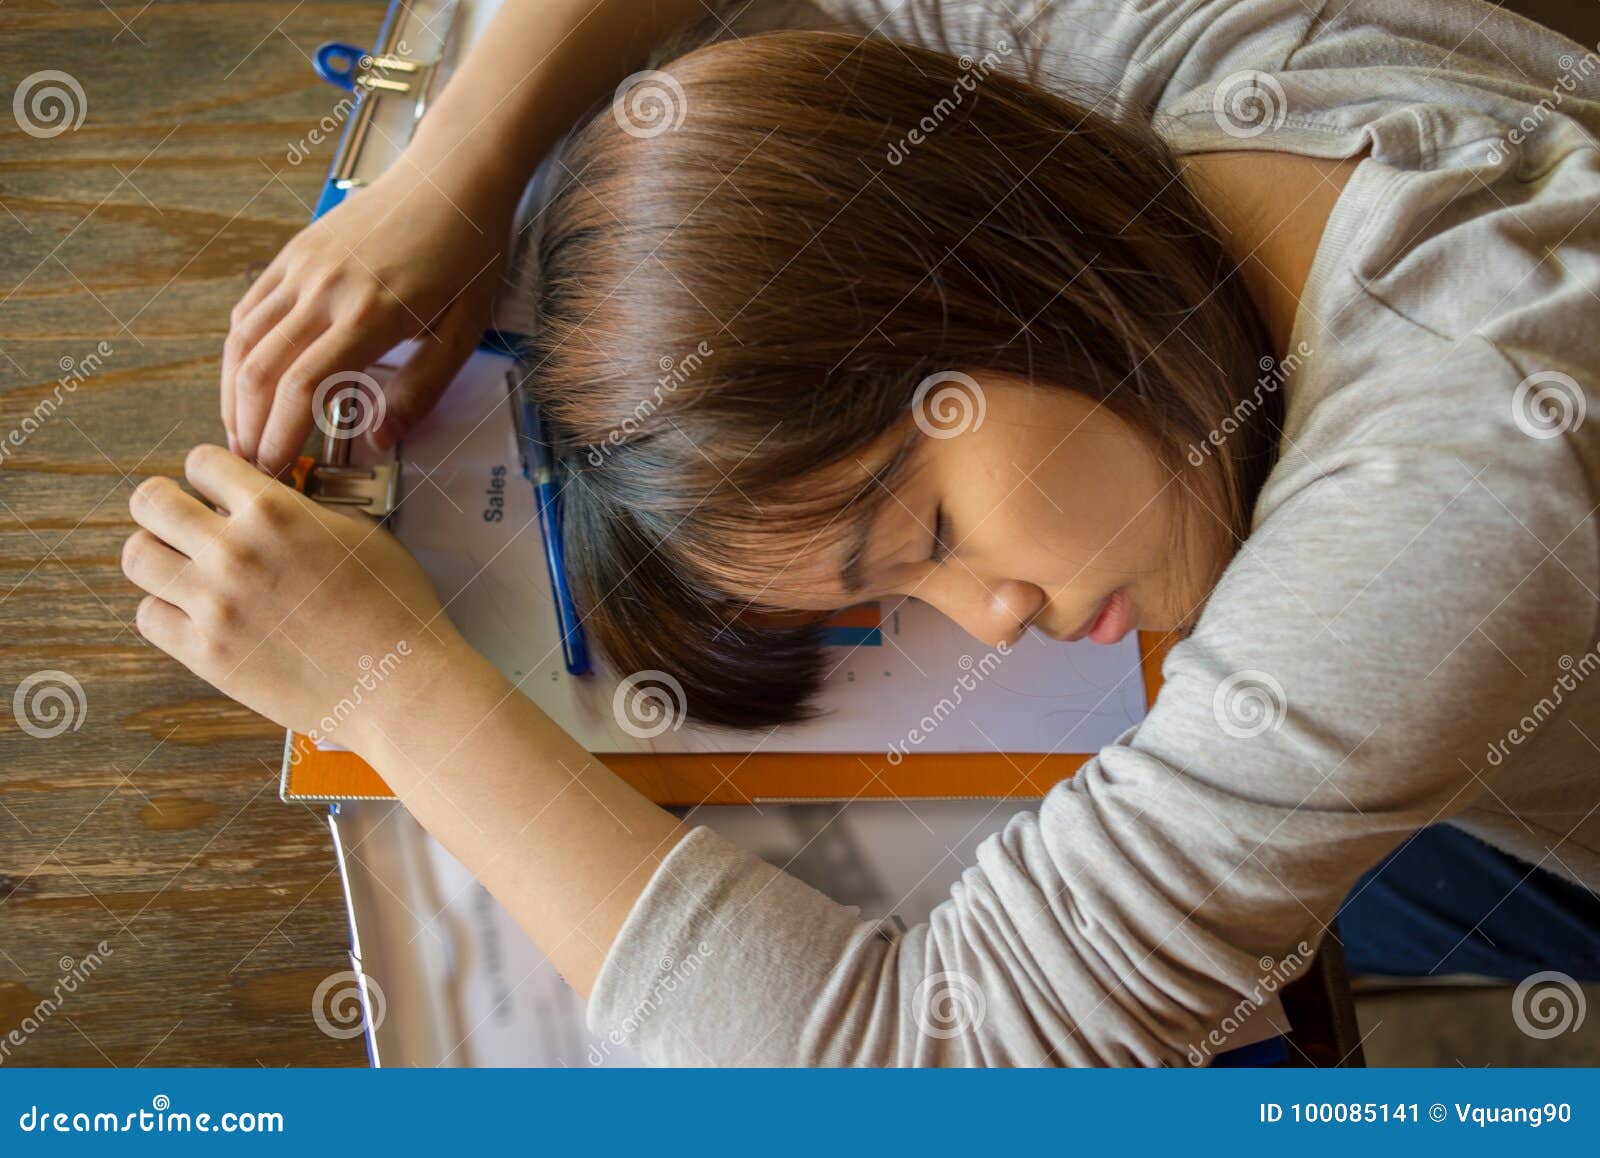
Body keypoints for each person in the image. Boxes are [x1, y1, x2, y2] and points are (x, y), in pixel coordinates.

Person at [123, 0, 1600, 1065]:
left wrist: (386, 685)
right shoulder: (1098, 80)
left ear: (994, 281)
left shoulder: (1451, 490)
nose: (993, 616)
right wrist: (459, 181)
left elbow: (928, 1066)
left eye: (931, 528)